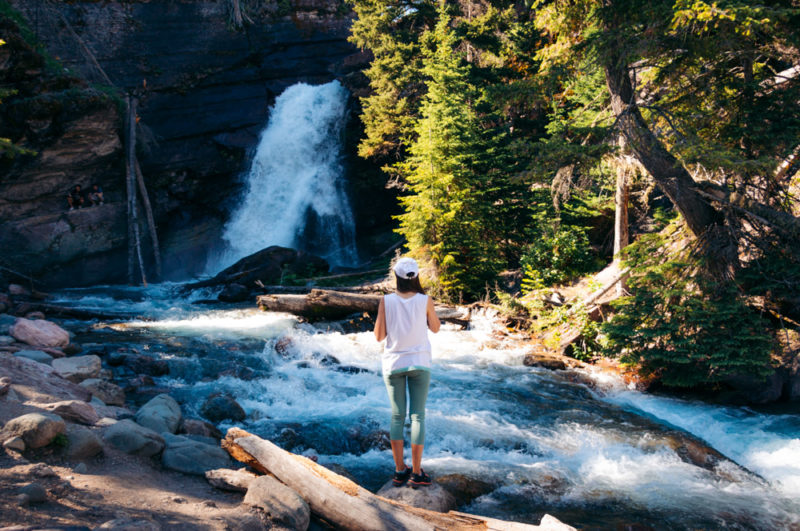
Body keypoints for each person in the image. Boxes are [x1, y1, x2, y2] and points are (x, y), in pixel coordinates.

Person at [374, 257, 441, 488]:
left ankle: (399, 470)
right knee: (417, 416)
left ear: (398, 277)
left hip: (393, 364)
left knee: (396, 417)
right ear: (415, 277)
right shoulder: (425, 300)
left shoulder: (386, 300)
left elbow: (379, 336)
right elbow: (435, 328)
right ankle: (416, 472)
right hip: (420, 363)